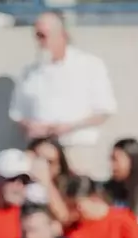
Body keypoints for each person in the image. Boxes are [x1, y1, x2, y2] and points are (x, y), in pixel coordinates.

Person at [8, 11, 116, 177]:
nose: (39, 41)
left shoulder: (89, 65)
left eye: (43, 35)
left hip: (77, 150)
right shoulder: (30, 72)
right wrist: (34, 127)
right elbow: (17, 113)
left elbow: (105, 110)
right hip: (41, 151)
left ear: (62, 35)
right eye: (37, 35)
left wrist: (68, 127)